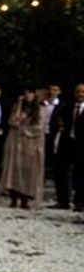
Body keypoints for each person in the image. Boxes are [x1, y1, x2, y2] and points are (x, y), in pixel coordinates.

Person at [0, 88, 47, 209]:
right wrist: (19, 105)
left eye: (30, 93)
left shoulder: (40, 109)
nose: (27, 95)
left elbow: (38, 127)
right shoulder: (17, 108)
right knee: (14, 170)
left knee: (28, 172)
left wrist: (24, 130)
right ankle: (14, 197)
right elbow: (13, 122)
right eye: (25, 93)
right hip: (16, 143)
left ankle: (25, 198)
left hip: (30, 144)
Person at [50, 83, 84, 211]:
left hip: (82, 146)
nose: (80, 94)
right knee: (61, 172)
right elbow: (56, 120)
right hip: (67, 143)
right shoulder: (66, 107)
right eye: (78, 92)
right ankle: (63, 201)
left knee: (81, 175)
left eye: (83, 92)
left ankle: (80, 202)